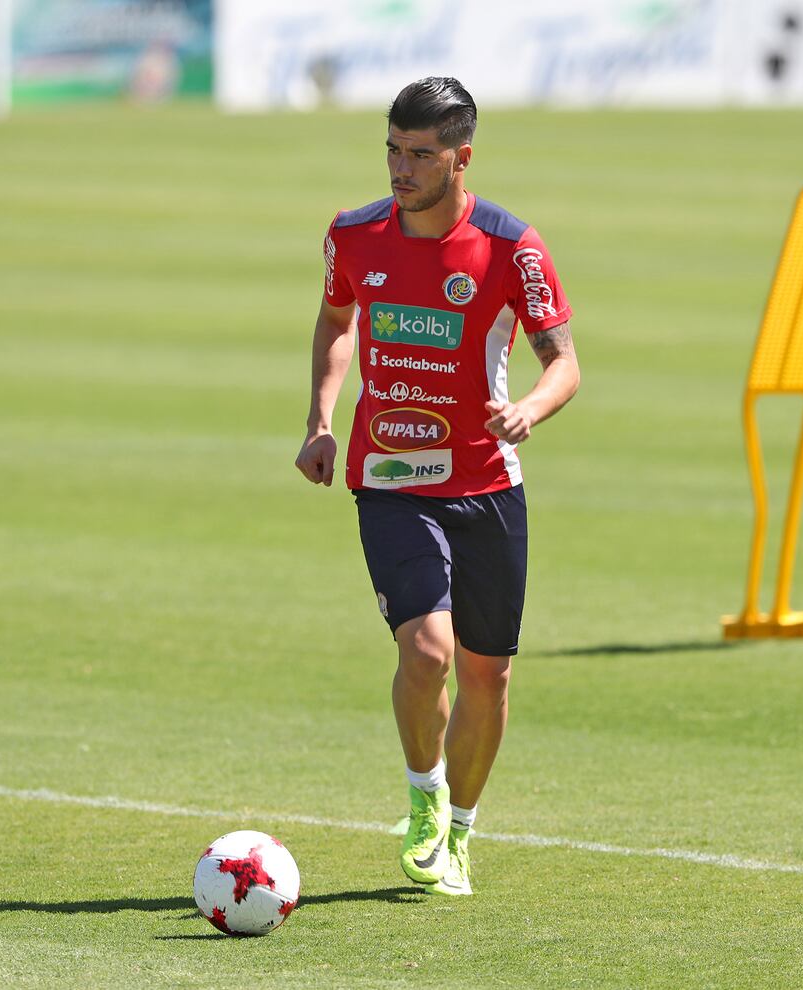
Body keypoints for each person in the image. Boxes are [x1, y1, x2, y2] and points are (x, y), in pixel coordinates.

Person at [294, 77, 579, 896]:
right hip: (388, 476)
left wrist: (528, 407)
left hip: (487, 481)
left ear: (462, 157)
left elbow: (564, 360)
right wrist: (320, 419)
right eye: (392, 148)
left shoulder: (511, 246)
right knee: (428, 651)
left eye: (420, 154)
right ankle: (424, 801)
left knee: (488, 675)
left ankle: (460, 831)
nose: (401, 167)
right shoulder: (351, 236)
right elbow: (337, 319)